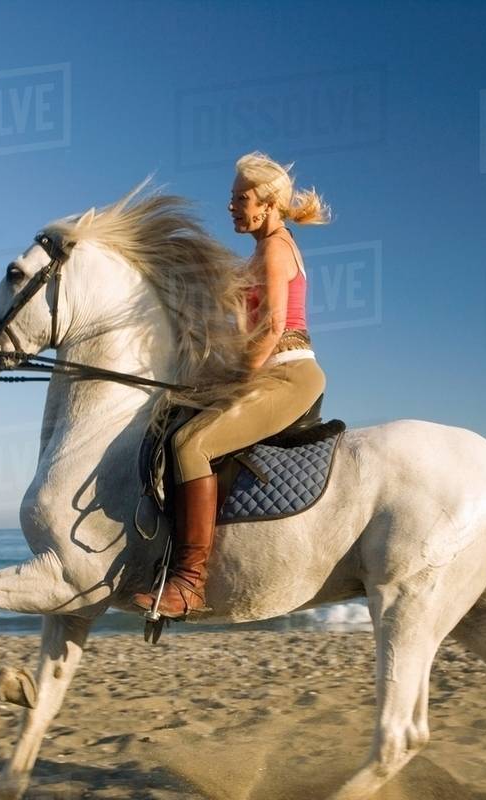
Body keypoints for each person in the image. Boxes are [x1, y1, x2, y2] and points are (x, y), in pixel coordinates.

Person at [132, 151, 331, 618]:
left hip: (289, 374)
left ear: (267, 203)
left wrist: (237, 380)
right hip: (272, 370)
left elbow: (273, 326)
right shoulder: (260, 252)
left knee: (189, 446)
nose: (231, 207)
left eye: (240, 198)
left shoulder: (277, 248)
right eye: (231, 198)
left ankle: (190, 583)